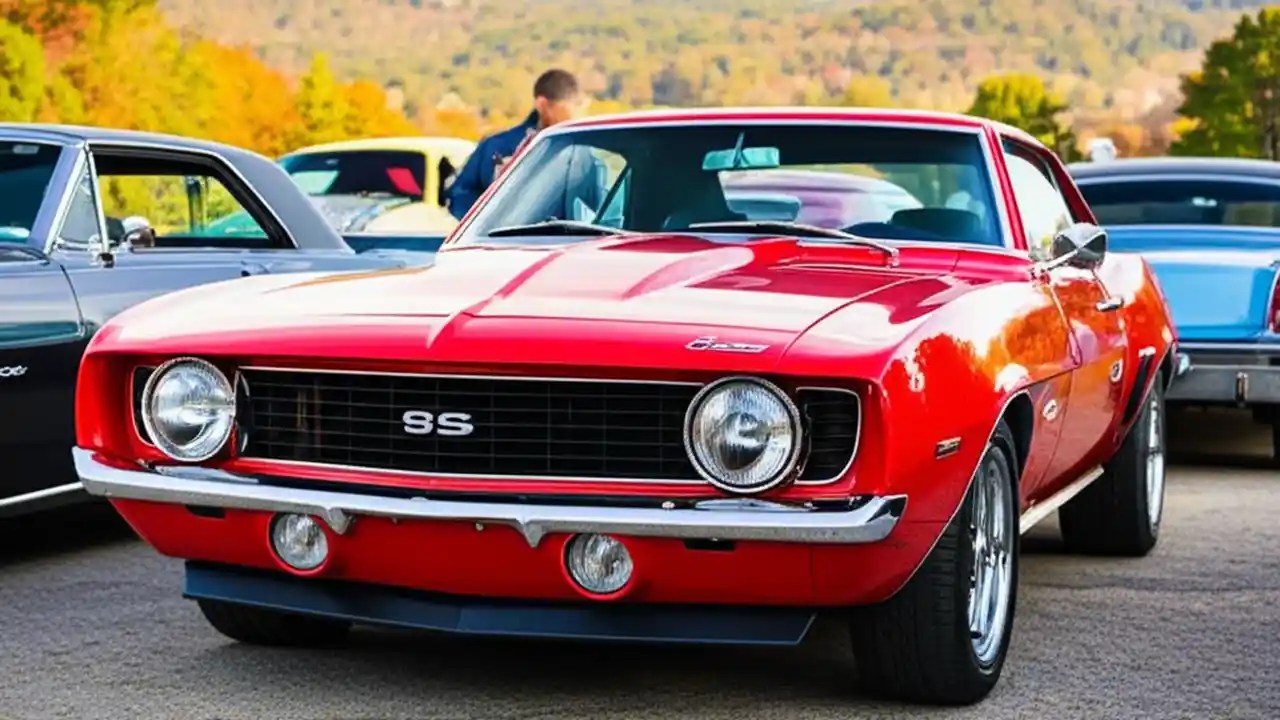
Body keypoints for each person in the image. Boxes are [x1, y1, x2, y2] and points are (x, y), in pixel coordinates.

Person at [447, 69, 589, 220]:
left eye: (578, 108)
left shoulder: (584, 152)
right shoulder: (496, 147)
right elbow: (459, 194)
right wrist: (488, 217)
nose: (575, 117)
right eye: (569, 109)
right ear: (542, 104)